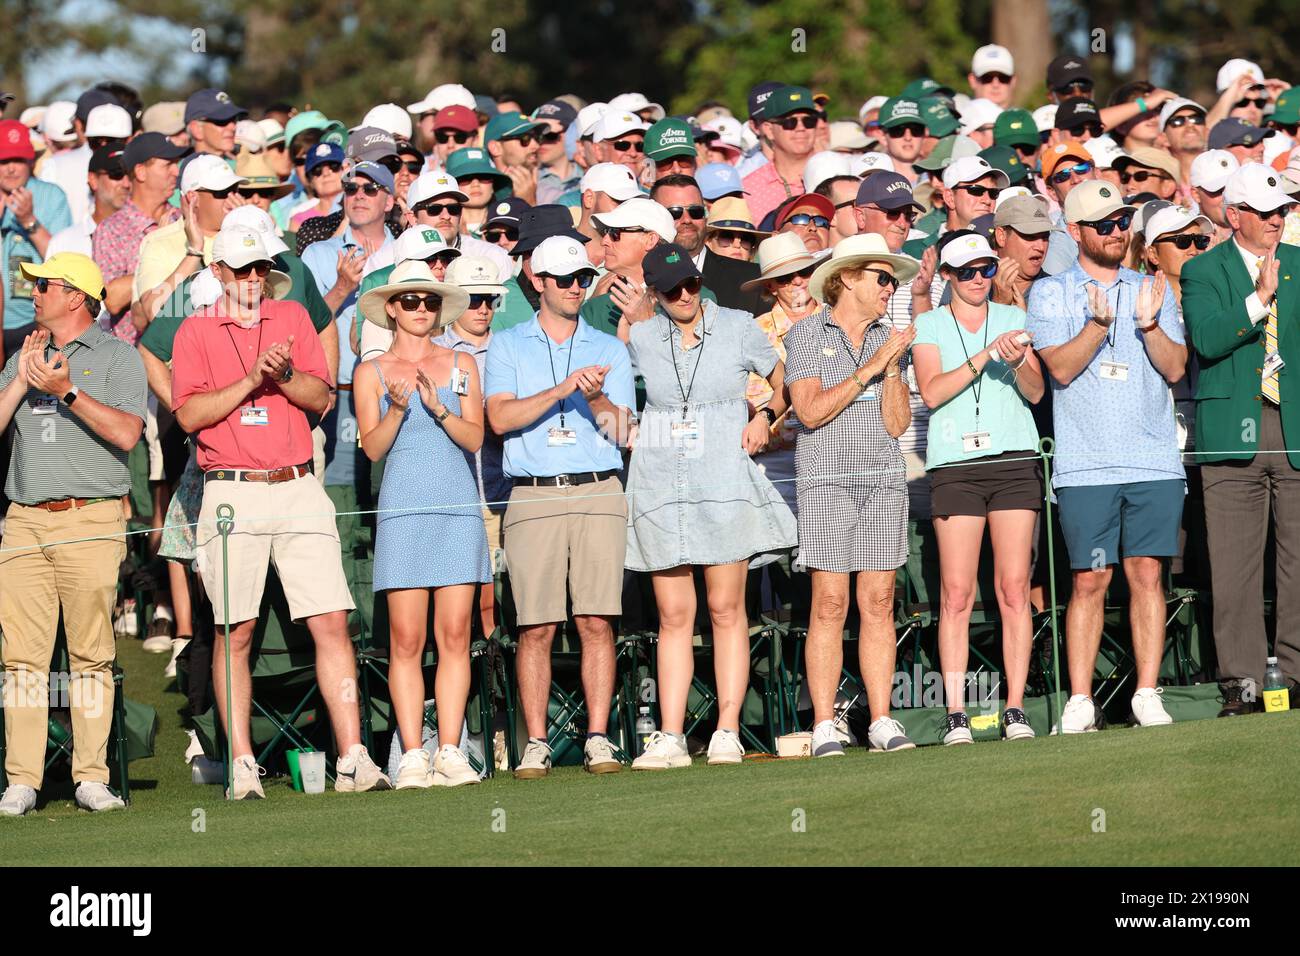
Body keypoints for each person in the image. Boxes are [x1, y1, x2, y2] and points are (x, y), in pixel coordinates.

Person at [171, 226, 389, 799]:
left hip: (297, 483)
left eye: (259, 268)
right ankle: (241, 763)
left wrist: (286, 376)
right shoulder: (193, 330)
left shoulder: (292, 317)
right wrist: (252, 379)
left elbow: (321, 400)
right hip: (230, 490)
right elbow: (189, 417)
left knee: (332, 621)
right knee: (233, 629)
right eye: (241, 269)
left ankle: (353, 757)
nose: (251, 279)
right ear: (217, 272)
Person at [625, 243, 796, 770]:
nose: (684, 296)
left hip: (724, 473)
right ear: (655, 293)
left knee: (726, 610)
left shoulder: (741, 325)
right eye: (671, 290)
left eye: (691, 285)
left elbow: (783, 379)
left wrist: (765, 416)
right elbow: (618, 394)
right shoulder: (640, 335)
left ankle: (726, 731)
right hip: (660, 481)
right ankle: (672, 736)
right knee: (674, 615)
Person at [1026, 179, 1187, 732]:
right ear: (1076, 232)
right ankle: (1079, 699)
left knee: (1148, 576)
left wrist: (1146, 324)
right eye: (1104, 225)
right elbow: (1062, 369)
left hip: (1152, 460)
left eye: (1123, 222)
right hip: (1086, 463)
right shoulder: (1051, 293)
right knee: (1090, 581)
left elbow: (1173, 367)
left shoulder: (1153, 286)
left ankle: (1146, 691)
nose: (1118, 232)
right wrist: (1099, 324)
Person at [483, 236, 634, 779]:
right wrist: (562, 388)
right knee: (536, 624)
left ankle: (598, 738)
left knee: (596, 619)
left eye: (582, 279)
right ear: (538, 280)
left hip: (598, 487)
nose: (576, 288)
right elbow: (499, 420)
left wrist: (593, 398)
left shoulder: (610, 348)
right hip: (534, 491)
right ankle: (538, 742)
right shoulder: (506, 345)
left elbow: (625, 433)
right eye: (565, 279)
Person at [0, 253, 145, 816]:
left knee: (90, 654)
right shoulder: (24, 351)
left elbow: (129, 434)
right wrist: (23, 376)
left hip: (91, 516)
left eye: (45, 285)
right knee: (22, 659)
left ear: (77, 297)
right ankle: (22, 781)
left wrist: (65, 390)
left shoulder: (117, 355)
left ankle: (90, 777)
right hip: (25, 519)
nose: (33, 292)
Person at [785, 234, 918, 757]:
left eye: (893, 279)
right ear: (846, 279)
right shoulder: (804, 336)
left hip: (882, 480)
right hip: (825, 482)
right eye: (881, 277)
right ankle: (824, 723)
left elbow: (897, 424)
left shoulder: (889, 339)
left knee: (880, 602)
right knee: (830, 604)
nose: (890, 287)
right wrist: (871, 368)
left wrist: (890, 370)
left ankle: (881, 720)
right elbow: (811, 411)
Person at [355, 260, 486, 788]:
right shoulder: (370, 371)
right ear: (391, 307)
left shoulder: (462, 362)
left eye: (430, 301)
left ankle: (450, 749)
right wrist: (395, 409)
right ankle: (412, 752)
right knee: (406, 640)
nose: (421, 310)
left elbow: (475, 439)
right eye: (410, 301)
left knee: (454, 634)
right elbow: (373, 447)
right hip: (404, 507)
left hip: (456, 506)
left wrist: (437, 409)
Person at [911, 232, 1045, 744]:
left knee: (1013, 589)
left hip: (1013, 458)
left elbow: (1034, 392)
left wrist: (1014, 361)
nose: (977, 280)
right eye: (965, 272)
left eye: (985, 269)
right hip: (956, 467)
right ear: (946, 275)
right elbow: (932, 391)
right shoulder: (929, 324)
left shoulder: (1015, 317)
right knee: (957, 592)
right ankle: (956, 714)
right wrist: (986, 355)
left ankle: (1014, 709)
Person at [1182, 162, 1300, 715]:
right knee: (1233, 566)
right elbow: (1206, 339)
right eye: (1267, 211)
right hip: (1230, 429)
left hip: (1293, 424)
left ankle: (1295, 676)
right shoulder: (1203, 270)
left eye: (1283, 210)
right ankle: (1242, 683)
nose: (1278, 219)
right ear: (1235, 215)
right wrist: (1259, 300)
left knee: (1298, 560)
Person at [743, 232, 821, 514]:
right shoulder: (752, 332)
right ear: (771, 286)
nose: (798, 281)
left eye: (803, 271)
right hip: (772, 462)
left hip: (833, 456)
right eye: (786, 277)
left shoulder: (840, 322)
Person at [1, 119, 73, 358]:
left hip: (35, 323)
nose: (11, 168)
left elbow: (64, 264)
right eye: (3, 161)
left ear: (31, 160)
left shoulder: (51, 195)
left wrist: (28, 221)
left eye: (18, 160)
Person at [742, 86, 820, 222]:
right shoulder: (748, 189)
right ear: (769, 130)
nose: (801, 128)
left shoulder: (835, 173)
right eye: (790, 122)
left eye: (809, 121)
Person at [46, 145, 129, 259]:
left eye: (131, 175)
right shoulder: (64, 243)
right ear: (93, 180)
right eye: (116, 174)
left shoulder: (148, 237)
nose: (126, 184)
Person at [532, 100, 581, 205]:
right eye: (536, 136)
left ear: (571, 135)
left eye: (549, 135)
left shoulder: (588, 175)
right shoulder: (529, 179)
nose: (541, 142)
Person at [1191, 149, 1239, 247]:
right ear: (1196, 195)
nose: (1228, 197)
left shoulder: (1263, 228)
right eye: (1218, 191)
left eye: (1233, 188)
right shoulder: (1188, 243)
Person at [184, 88, 246, 159]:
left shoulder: (241, 166)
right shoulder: (177, 169)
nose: (233, 127)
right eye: (222, 120)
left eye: (234, 120)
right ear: (196, 129)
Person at [876, 98, 925, 184]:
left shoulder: (939, 178)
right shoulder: (872, 180)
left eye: (916, 129)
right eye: (898, 131)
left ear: (925, 133)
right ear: (882, 137)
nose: (908, 137)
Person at [969, 44, 1017, 109]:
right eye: (987, 77)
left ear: (1013, 81)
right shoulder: (960, 118)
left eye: (1003, 78)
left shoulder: (1030, 118)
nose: (995, 85)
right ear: (973, 81)